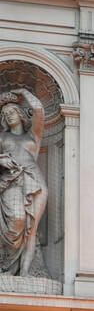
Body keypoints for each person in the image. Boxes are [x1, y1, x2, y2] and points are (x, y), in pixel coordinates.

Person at [0, 88, 47, 276]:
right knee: (17, 221)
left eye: (12, 112)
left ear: (20, 114)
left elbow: (38, 110)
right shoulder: (2, 137)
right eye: (5, 114)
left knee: (31, 229)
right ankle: (7, 267)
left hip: (35, 181)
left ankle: (25, 272)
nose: (9, 115)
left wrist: (23, 92)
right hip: (11, 180)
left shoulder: (33, 136)